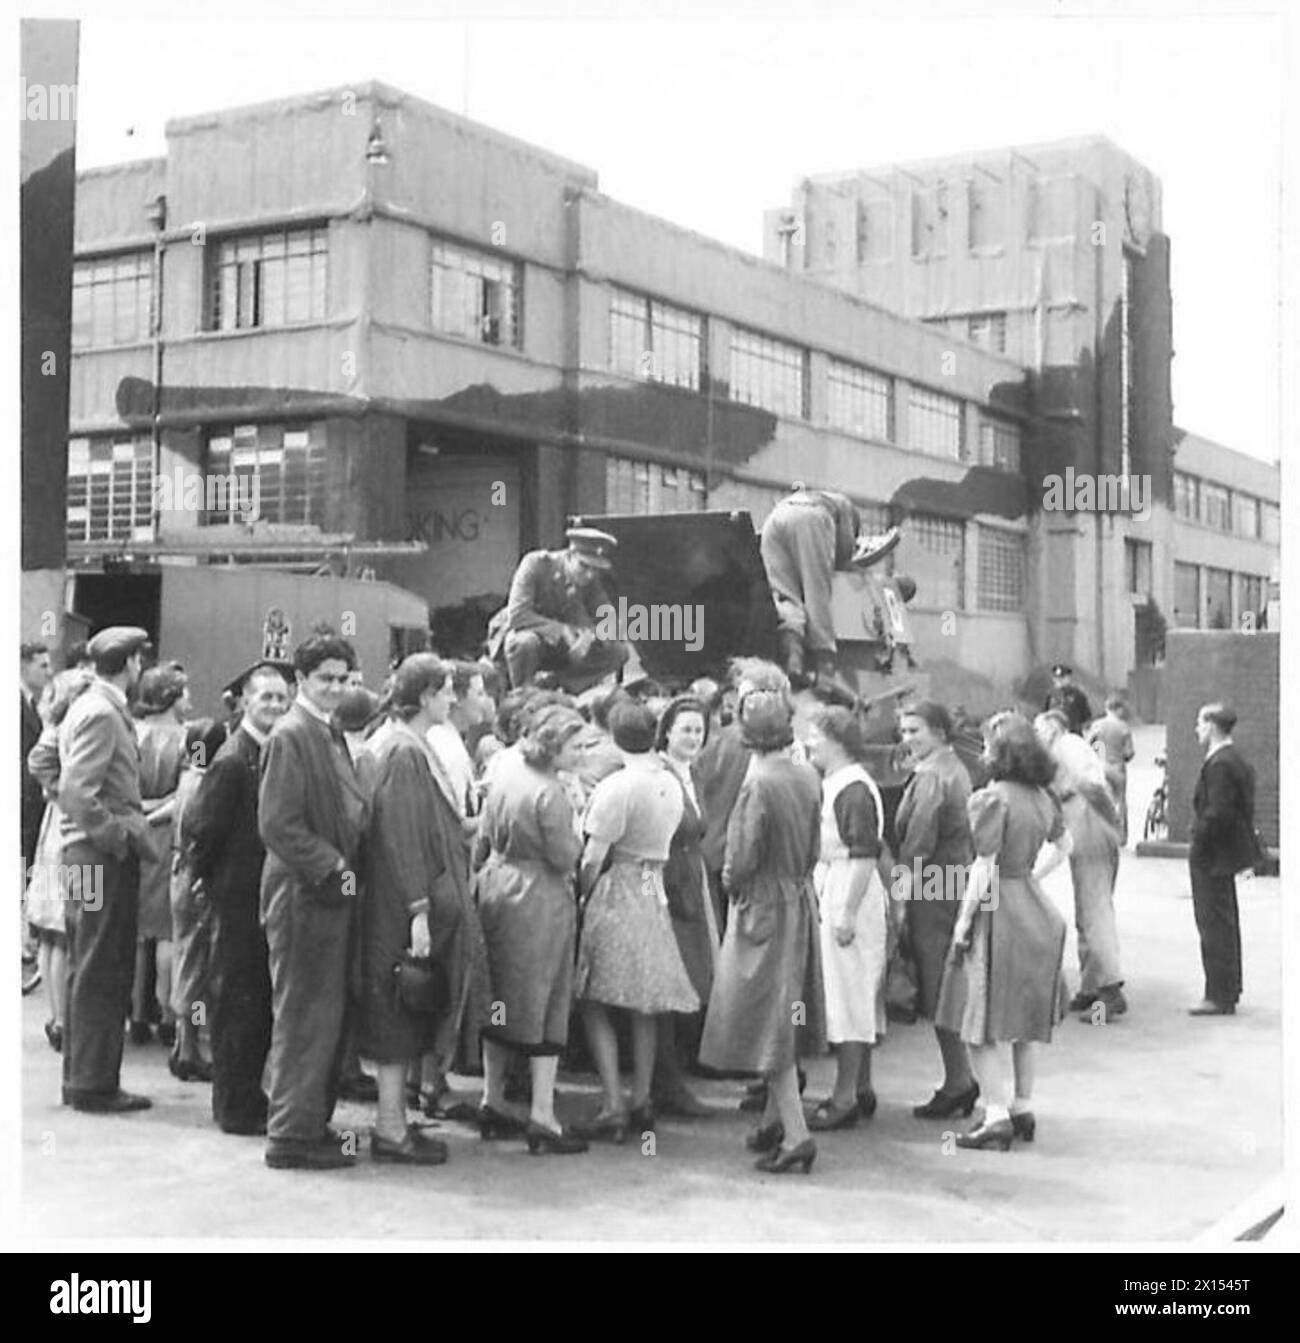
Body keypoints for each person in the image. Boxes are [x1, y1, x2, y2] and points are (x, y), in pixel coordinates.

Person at [699, 678, 825, 1175]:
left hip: (764, 906)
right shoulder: (806, 776)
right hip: (797, 898)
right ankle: (777, 1121)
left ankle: (797, 1134)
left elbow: (742, 856)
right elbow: (813, 848)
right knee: (789, 1013)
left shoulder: (759, 784)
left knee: (767, 1022)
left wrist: (732, 882)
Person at [936, 712, 1073, 1150]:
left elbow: (984, 867)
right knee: (1023, 1024)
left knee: (979, 1023)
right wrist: (1031, 876)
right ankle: (1021, 1106)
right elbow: (1066, 847)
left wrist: (963, 919)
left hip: (997, 909)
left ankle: (993, 1115)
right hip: (1033, 908)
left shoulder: (991, 798)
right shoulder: (1042, 797)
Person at [259, 633, 370, 1170]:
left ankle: (308, 1122)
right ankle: (290, 1135)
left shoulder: (325, 730)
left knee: (322, 1014)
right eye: (324, 677)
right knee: (304, 1014)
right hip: (304, 896)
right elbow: (278, 824)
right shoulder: (292, 734)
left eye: (342, 678)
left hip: (327, 895)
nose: (334, 687)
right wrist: (334, 864)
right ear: (300, 680)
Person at [359, 654, 476, 1165]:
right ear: (425, 695)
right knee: (398, 1008)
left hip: (393, 897)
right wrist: (420, 910)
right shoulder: (406, 753)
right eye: (447, 690)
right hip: (399, 902)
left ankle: (396, 1121)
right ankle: (390, 1128)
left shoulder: (395, 743)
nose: (452, 699)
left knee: (401, 1007)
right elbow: (403, 836)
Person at [573, 702, 697, 1141]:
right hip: (653, 886)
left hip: (619, 885)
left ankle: (612, 1101)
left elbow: (592, 857)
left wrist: (583, 893)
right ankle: (642, 1095)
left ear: (615, 737)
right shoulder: (669, 783)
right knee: (645, 1001)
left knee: (594, 997)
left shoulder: (617, 787)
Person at [475, 703, 590, 1154]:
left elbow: (483, 836)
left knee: (501, 996)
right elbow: (565, 855)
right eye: (574, 746)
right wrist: (578, 822)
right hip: (540, 895)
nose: (581, 753)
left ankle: (492, 1097)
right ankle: (543, 1114)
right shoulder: (552, 793)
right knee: (546, 1000)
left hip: (498, 884)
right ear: (553, 746)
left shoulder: (505, 774)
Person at [186, 662, 291, 1136]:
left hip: (262, 896)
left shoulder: (270, 752)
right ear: (245, 701)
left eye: (280, 697)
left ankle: (250, 1094)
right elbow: (202, 831)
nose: (274, 705)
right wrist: (209, 884)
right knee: (235, 1003)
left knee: (255, 1000)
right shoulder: (231, 760)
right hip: (236, 898)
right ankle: (234, 1105)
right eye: (265, 697)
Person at [57, 626, 153, 1113]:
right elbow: (78, 789)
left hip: (78, 855)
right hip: (99, 857)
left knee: (84, 959)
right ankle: (94, 1083)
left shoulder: (81, 705)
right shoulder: (103, 712)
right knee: (103, 963)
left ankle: (80, 1074)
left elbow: (43, 762)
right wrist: (114, 833)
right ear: (131, 662)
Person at [803, 706, 889, 1130]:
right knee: (856, 994)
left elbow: (865, 854)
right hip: (837, 883)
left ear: (836, 740)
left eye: (815, 736)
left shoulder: (852, 789)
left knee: (849, 996)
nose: (809, 743)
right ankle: (861, 1086)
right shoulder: (839, 782)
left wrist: (847, 913)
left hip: (847, 890)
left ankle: (844, 1097)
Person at [892, 701, 978, 1120]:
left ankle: (959, 1079)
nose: (907, 738)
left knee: (939, 987)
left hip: (933, 887)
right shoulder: (956, 768)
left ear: (940, 732)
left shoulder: (930, 778)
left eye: (915, 731)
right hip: (957, 879)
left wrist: (900, 899)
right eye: (904, 731)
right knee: (953, 983)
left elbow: (917, 846)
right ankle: (960, 1078)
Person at [758, 484, 900, 696]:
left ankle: (793, 657)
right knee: (817, 590)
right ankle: (825, 665)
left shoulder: (805, 499)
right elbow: (843, 555)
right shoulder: (845, 509)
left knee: (784, 595)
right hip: (811, 517)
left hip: (775, 520)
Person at [652, 695, 720, 1118]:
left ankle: (676, 1074)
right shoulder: (661, 776)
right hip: (670, 887)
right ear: (667, 733)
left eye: (699, 730)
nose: (694, 738)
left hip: (692, 882)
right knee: (671, 982)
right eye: (686, 730)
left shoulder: (689, 774)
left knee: (691, 979)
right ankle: (666, 1083)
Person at [1034, 710, 1125, 1021]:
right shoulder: (1063, 749)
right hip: (1081, 816)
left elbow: (1093, 783)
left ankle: (1110, 991)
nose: (1037, 733)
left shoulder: (1068, 744)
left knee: (1094, 908)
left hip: (1086, 818)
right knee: (1087, 908)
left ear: (1052, 727)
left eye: (1040, 727)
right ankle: (1091, 986)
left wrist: (1106, 821)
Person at [25, 667, 96, 1050]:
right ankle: (64, 1018)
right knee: (68, 929)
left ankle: (60, 1018)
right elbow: (38, 761)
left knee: (57, 933)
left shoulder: (61, 724)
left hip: (60, 830)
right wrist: (59, 789)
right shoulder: (68, 726)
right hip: (71, 834)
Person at [130, 664, 192, 1048]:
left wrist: (139, 809)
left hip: (134, 832)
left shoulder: (131, 733)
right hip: (169, 835)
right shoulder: (191, 739)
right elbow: (190, 789)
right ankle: (170, 1015)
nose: (190, 698)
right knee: (168, 931)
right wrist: (159, 808)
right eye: (185, 691)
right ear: (170, 697)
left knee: (139, 933)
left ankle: (137, 1013)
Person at [490, 527, 629, 692]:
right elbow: (518, 616)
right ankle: (523, 693)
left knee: (618, 653)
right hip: (522, 640)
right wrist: (563, 631)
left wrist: (588, 637)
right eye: (584, 566)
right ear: (569, 555)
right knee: (525, 641)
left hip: (561, 647)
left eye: (594, 569)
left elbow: (609, 623)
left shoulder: (590, 580)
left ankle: (555, 684)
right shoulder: (536, 564)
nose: (589, 574)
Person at [167, 717, 228, 1081]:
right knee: (197, 965)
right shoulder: (207, 785)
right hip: (198, 876)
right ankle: (190, 1047)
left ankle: (182, 1042)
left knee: (184, 956)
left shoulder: (187, 779)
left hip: (179, 872)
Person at [1188, 703, 1257, 1016]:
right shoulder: (1235, 759)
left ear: (1213, 725)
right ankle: (1228, 988)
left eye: (1201, 723)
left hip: (1211, 855)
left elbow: (1218, 812)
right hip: (1224, 854)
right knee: (1225, 921)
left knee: (1213, 923)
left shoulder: (1219, 764)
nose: (1197, 729)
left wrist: (1199, 837)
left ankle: (1218, 994)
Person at [21, 641, 53, 995]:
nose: (48, 673)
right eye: (42, 666)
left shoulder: (33, 706)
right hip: (33, 811)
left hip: (42, 815)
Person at [1087, 694, 1136, 846]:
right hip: (1117, 767)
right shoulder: (1123, 727)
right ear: (1119, 710)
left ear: (1107, 708)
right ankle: (1120, 836)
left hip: (1100, 765)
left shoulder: (1096, 726)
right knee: (1120, 801)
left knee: (1101, 799)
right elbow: (1129, 752)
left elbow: (1089, 745)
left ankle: (1101, 834)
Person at [1044, 663, 1092, 736]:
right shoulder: (1051, 695)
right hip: (1055, 736)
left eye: (1062, 677)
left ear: (1068, 678)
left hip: (1073, 736)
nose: (1059, 680)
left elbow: (1086, 717)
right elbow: (1044, 713)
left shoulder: (1077, 695)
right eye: (1056, 678)